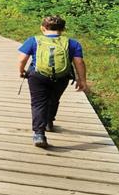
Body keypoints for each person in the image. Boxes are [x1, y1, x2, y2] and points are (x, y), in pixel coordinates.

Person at [17, 15, 89, 149]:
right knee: (54, 99)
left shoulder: (34, 40)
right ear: (63, 29)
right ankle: (49, 122)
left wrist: (21, 71)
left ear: (42, 28)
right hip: (62, 77)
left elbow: (22, 59)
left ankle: (39, 134)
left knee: (38, 103)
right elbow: (79, 62)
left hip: (38, 76)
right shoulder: (72, 43)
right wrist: (82, 80)